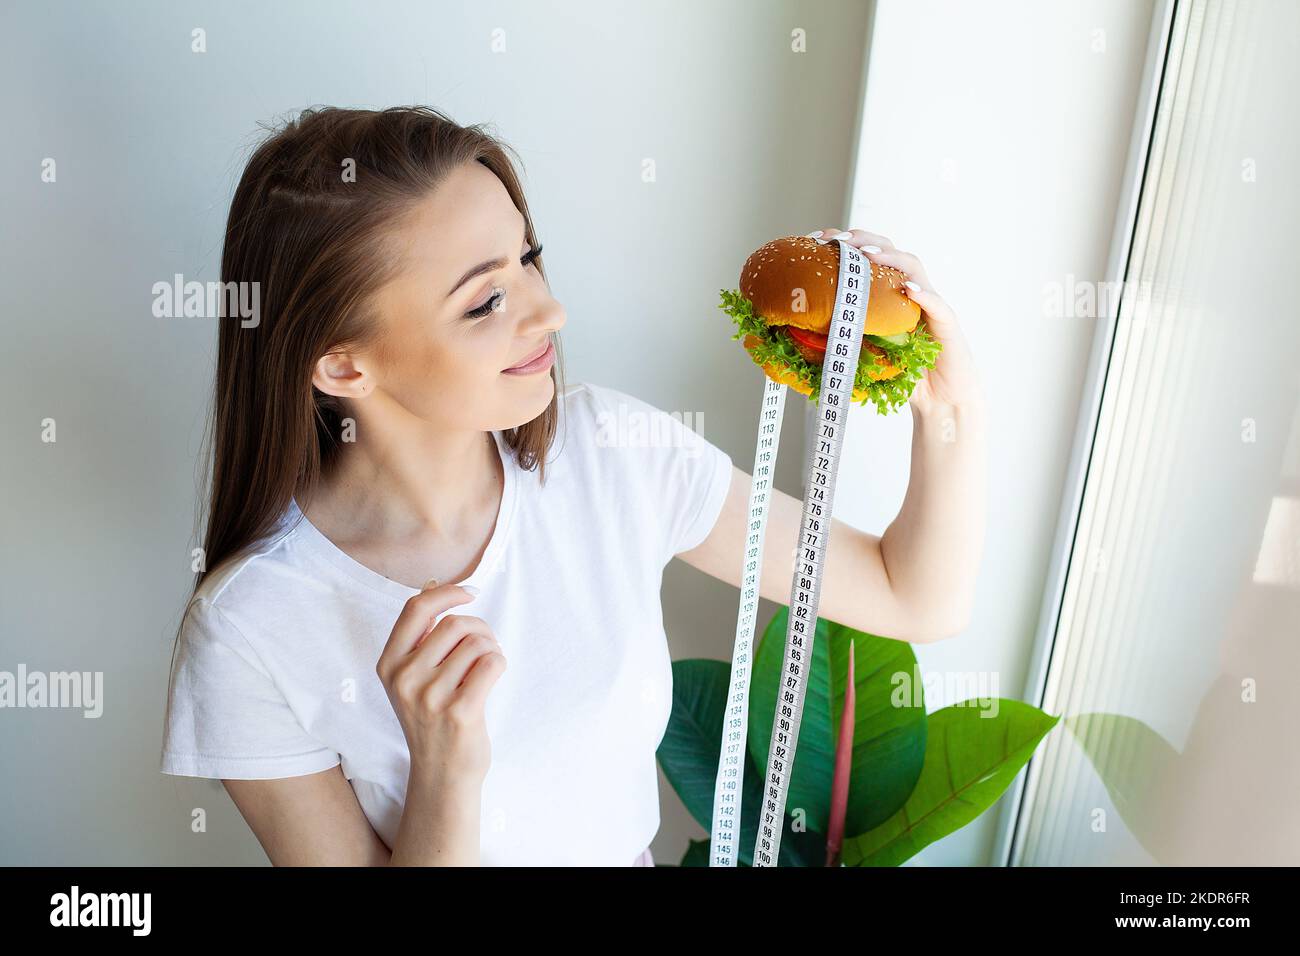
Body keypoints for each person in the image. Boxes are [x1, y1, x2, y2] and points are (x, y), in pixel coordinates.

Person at [159, 106, 987, 866]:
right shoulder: (248, 631)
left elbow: (913, 599)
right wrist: (446, 771)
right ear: (343, 363)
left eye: (529, 259)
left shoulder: (612, 455)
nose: (548, 311)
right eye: (486, 301)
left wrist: (948, 410)